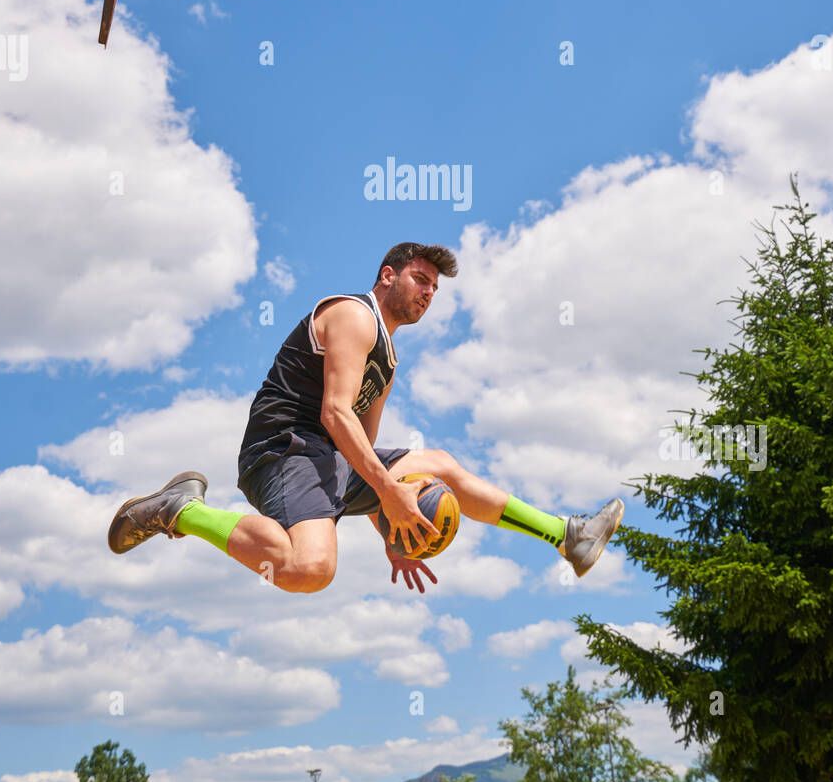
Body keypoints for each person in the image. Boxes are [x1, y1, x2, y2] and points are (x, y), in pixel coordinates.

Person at [108, 242, 624, 594]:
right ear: (388, 276)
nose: (427, 293)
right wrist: (390, 496)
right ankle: (182, 510)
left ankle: (568, 534)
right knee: (309, 570)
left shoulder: (389, 359)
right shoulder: (354, 316)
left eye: (434, 290)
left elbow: (363, 449)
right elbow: (335, 414)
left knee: (438, 463)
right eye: (420, 279)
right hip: (282, 450)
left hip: (325, 454)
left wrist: (389, 530)